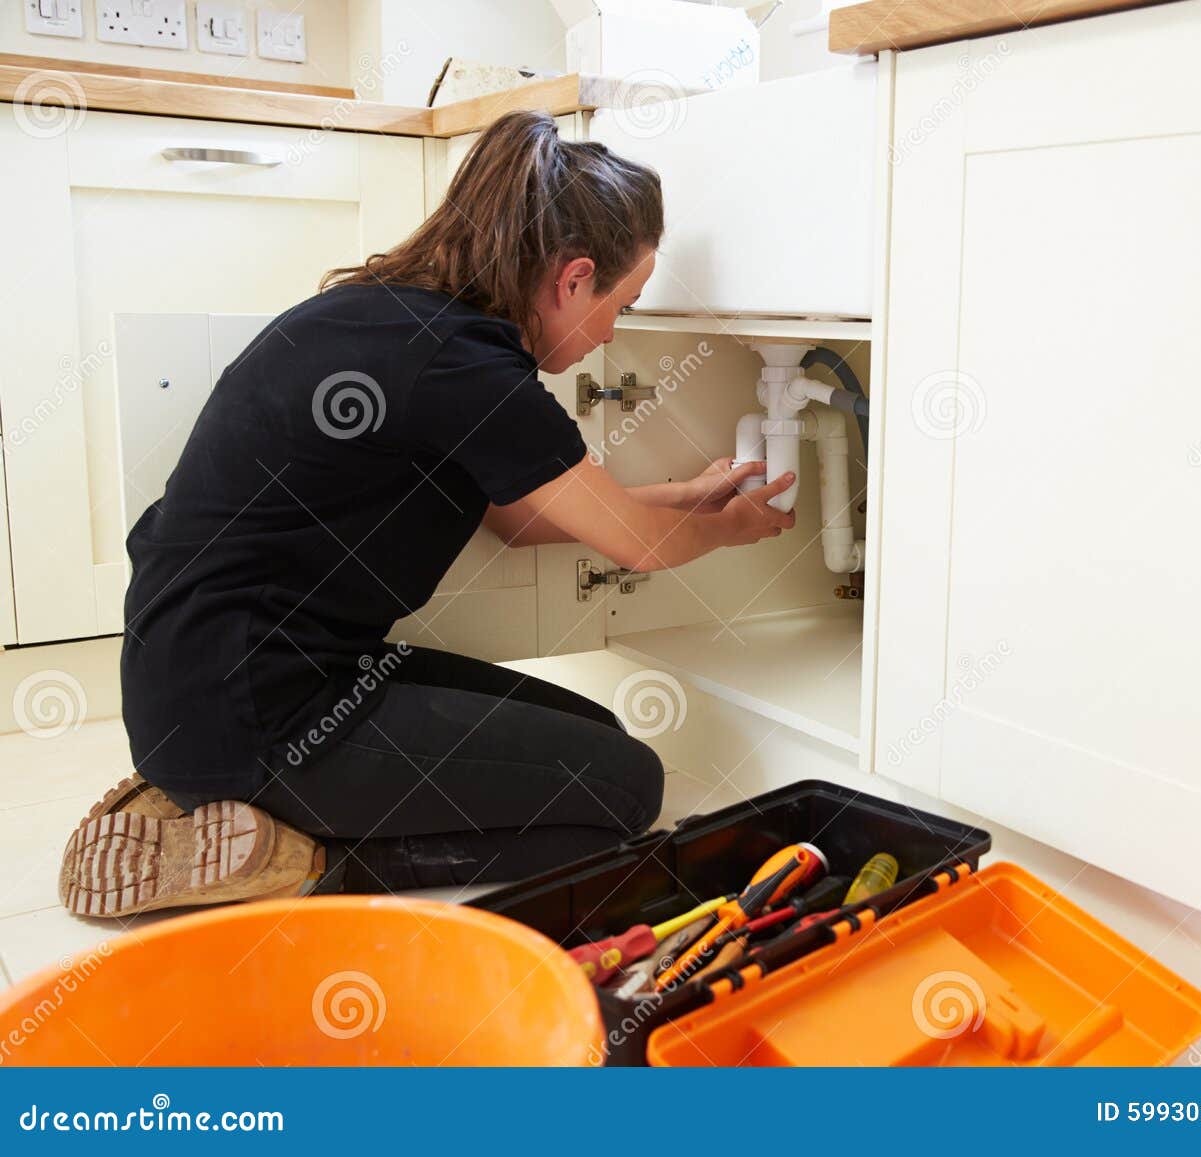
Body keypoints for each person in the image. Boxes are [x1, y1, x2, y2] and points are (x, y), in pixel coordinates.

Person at [59, 110, 796, 919]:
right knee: (624, 790)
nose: (612, 332)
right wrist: (735, 527)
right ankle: (295, 859)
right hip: (261, 712)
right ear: (573, 277)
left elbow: (520, 519)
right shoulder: (468, 366)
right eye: (622, 302)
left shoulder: (397, 317)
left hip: (213, 680)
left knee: (596, 730)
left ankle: (210, 799)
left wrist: (685, 496)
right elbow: (640, 548)